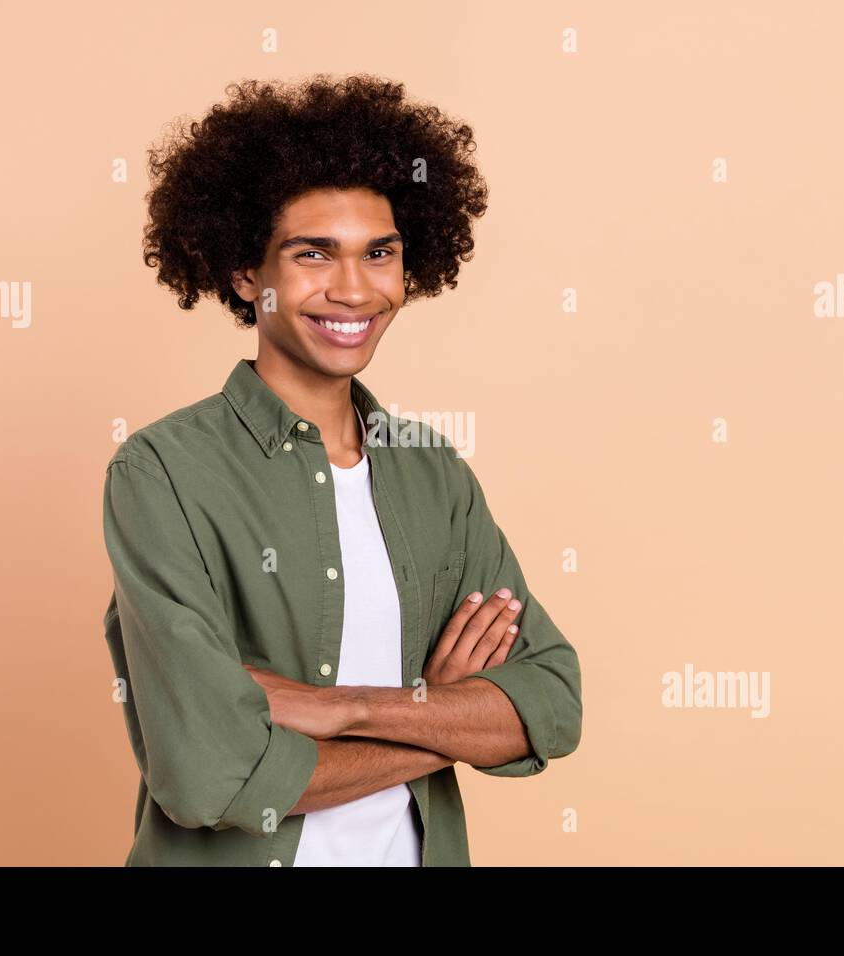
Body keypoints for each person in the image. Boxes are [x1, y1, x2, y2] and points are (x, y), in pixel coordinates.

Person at [101, 73, 582, 866]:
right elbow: (209, 774)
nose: (354, 288)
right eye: (313, 253)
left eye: (379, 253)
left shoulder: (435, 475)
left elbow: (552, 706)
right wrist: (445, 717)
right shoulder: (163, 474)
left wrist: (337, 707)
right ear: (245, 274)